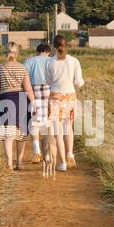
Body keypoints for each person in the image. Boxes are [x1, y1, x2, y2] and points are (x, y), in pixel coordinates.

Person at [43, 36, 84, 173]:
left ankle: (62, 163)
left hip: (55, 96)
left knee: (58, 131)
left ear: (54, 47)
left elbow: (48, 81)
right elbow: (78, 82)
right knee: (69, 127)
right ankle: (70, 153)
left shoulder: (49, 62)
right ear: (67, 46)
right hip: (70, 96)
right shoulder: (74, 61)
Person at [0, 45, 36, 172]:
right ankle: (20, 163)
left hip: (5, 98)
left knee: (8, 134)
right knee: (21, 134)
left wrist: (0, 99)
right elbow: (28, 88)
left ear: (5, 53)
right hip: (21, 99)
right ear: (17, 53)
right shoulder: (23, 68)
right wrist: (33, 102)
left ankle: (9, 164)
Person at [23, 42, 52, 164]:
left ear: (37, 51)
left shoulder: (29, 61)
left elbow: (24, 79)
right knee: (48, 123)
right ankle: (48, 155)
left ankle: (36, 150)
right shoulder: (52, 61)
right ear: (48, 51)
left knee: (34, 121)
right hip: (50, 90)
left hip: (34, 90)